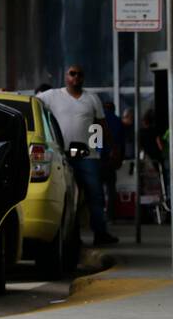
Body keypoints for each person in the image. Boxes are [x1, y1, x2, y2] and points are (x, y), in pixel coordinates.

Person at [38, 65, 119, 246]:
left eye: (80, 74)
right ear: (65, 76)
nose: (76, 77)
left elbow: (100, 124)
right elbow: (31, 104)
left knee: (95, 195)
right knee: (64, 197)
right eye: (72, 73)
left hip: (86, 155)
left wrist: (107, 148)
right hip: (60, 155)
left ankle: (100, 233)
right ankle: (70, 238)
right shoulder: (51, 96)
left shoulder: (92, 98)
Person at [100, 99, 124, 224]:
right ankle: (111, 216)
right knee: (111, 188)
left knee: (97, 189)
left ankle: (98, 215)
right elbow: (121, 143)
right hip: (112, 158)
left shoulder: (97, 121)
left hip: (99, 159)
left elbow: (94, 142)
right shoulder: (118, 121)